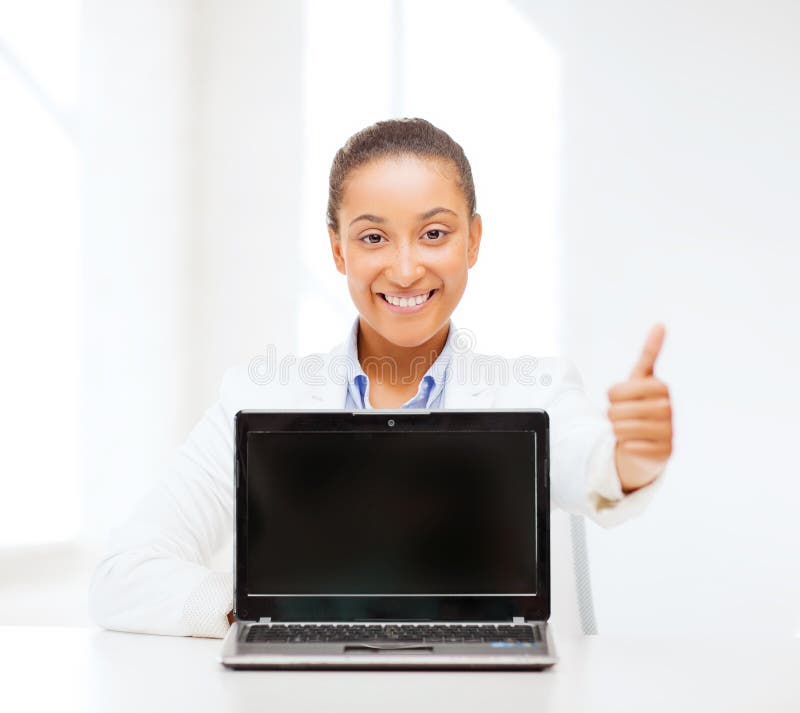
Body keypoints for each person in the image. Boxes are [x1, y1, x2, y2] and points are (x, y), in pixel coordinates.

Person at [89, 118, 673, 639]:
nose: (404, 267)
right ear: (338, 250)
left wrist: (631, 461)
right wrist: (254, 610)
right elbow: (124, 573)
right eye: (372, 237)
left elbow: (590, 465)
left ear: (473, 240)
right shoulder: (257, 398)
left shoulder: (535, 391)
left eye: (434, 233)